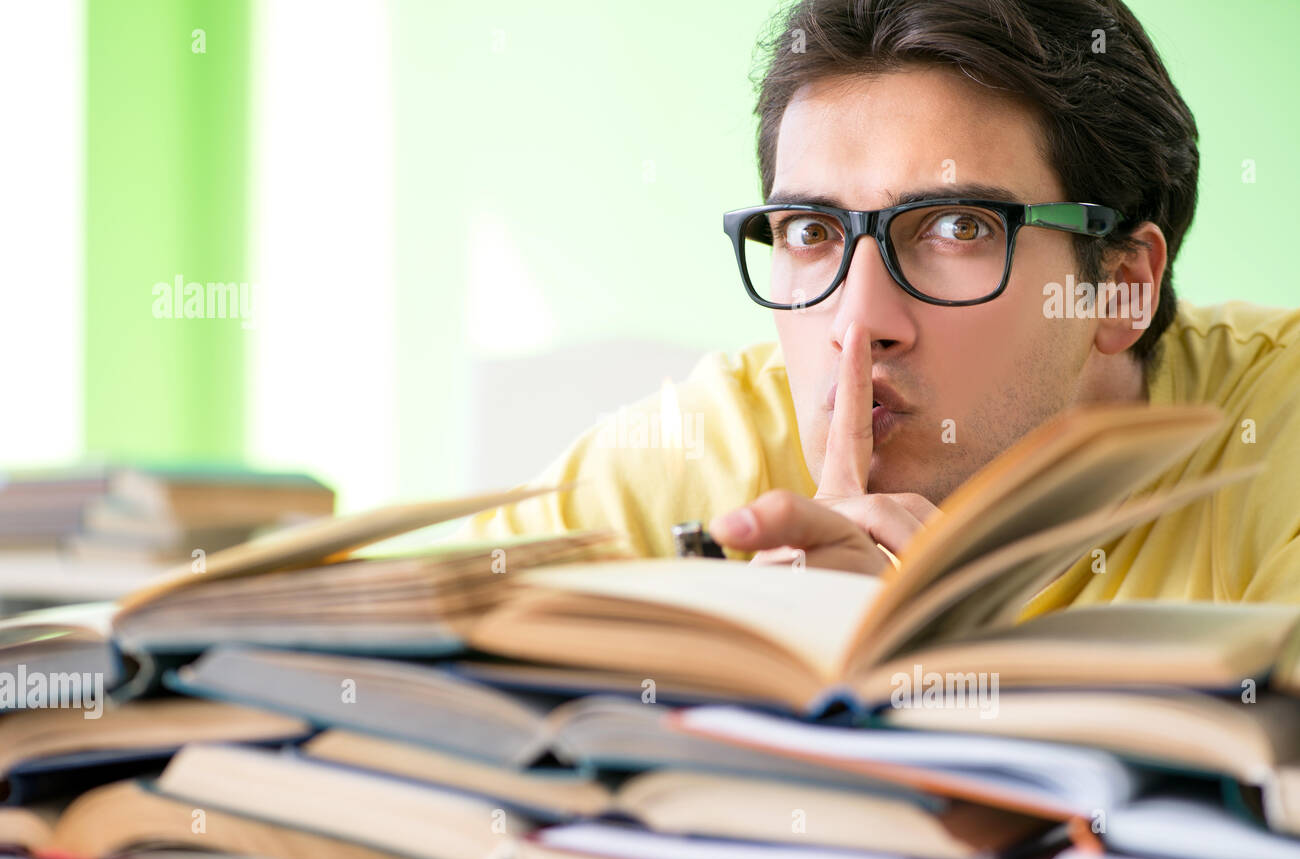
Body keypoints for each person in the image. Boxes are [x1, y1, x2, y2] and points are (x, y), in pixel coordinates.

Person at [462, 0, 1300, 614]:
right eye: (811, 229)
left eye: (957, 226)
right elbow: (396, 685)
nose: (857, 323)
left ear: (1120, 283)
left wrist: (922, 686)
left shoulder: (1278, 438)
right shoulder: (702, 453)